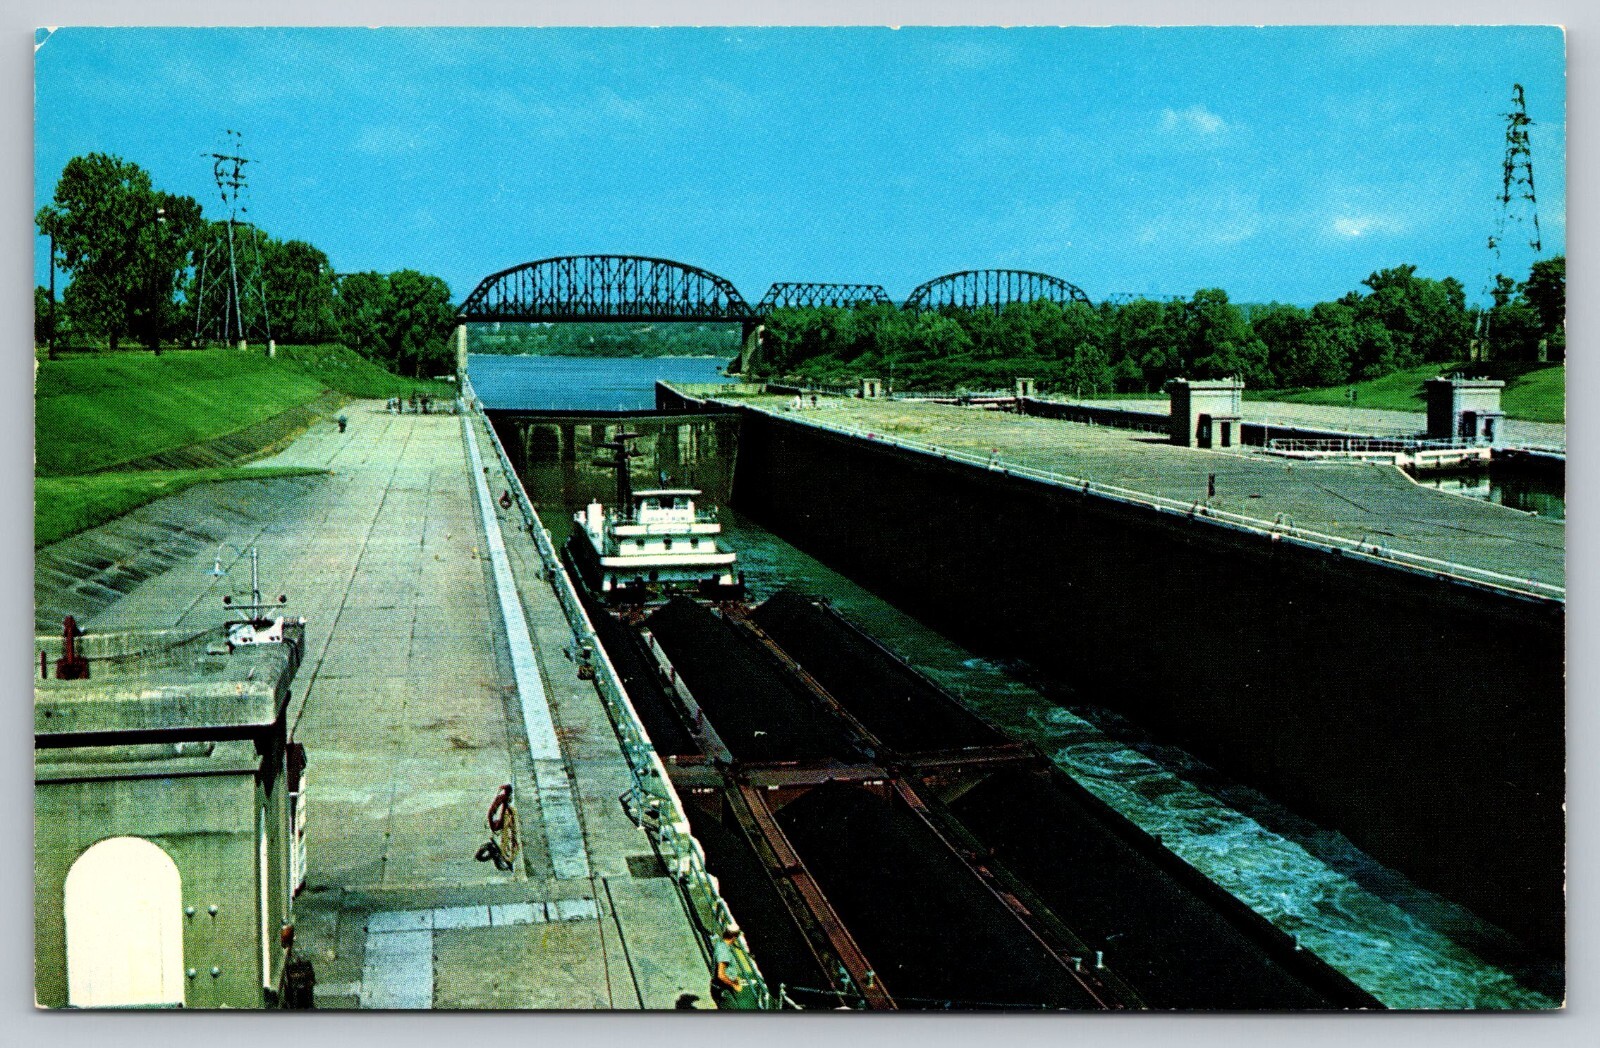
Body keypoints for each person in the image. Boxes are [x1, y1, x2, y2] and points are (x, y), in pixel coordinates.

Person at [710, 924, 745, 1006]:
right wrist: (734, 985)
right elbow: (721, 975)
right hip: (722, 990)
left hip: (717, 987)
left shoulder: (720, 943)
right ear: (734, 937)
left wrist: (734, 977)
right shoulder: (724, 952)